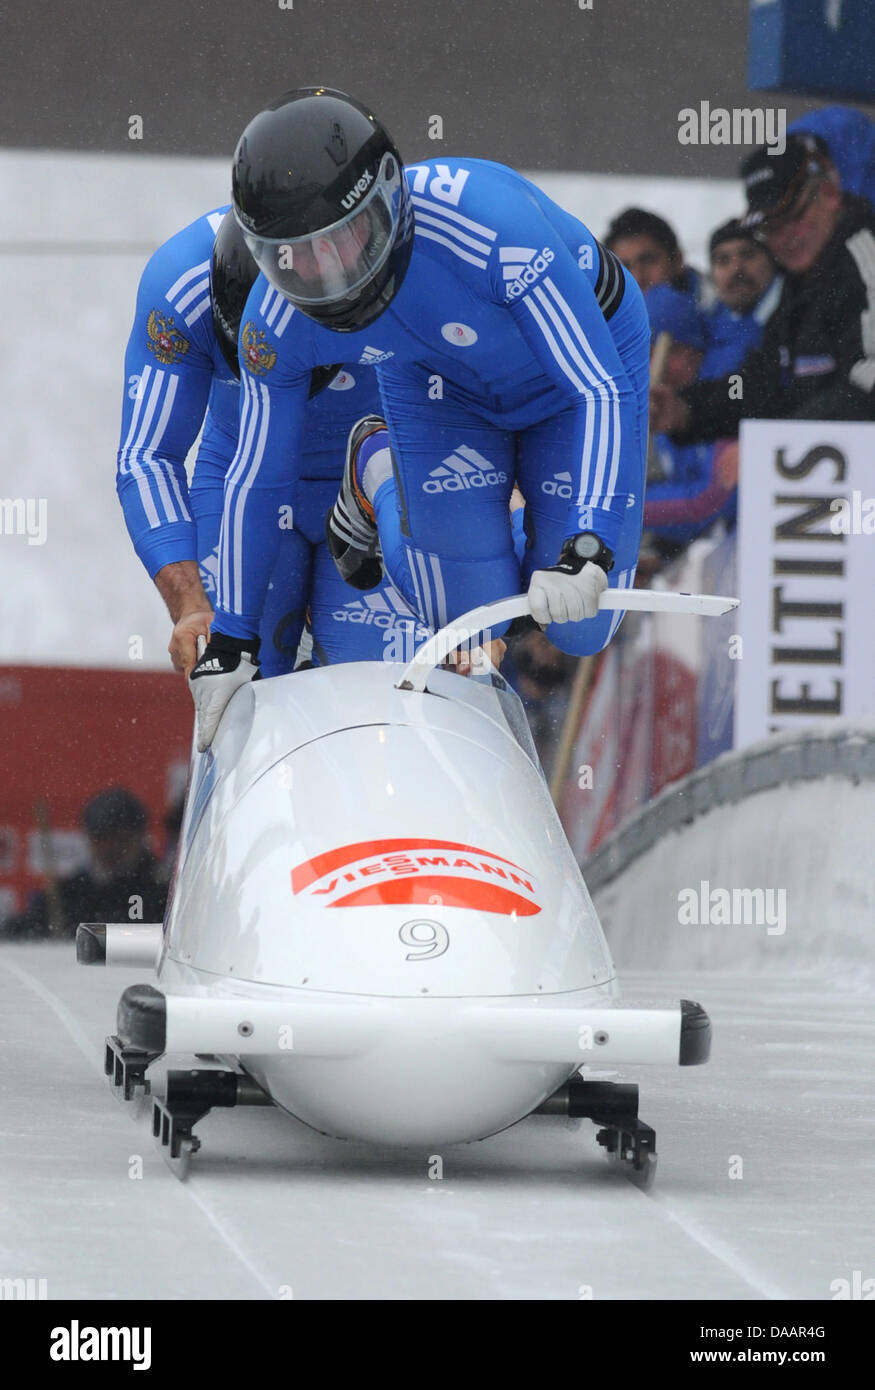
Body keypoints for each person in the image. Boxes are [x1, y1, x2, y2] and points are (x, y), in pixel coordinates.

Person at [189, 87, 651, 749]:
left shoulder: (491, 231)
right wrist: (230, 641)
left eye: (340, 243)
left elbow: (597, 388)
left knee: (582, 627)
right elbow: (256, 477)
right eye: (295, 259)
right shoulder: (274, 319)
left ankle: (488, 516)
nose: (327, 279)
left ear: (388, 204)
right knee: (469, 625)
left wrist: (588, 546)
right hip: (439, 387)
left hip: (573, 378)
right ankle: (378, 477)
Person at [118, 205, 426, 684]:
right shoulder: (180, 287)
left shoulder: (391, 278)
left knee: (371, 693)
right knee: (241, 687)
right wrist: (190, 605)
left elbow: (476, 405)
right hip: (239, 478)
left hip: (376, 481)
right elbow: (148, 456)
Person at [651, 133, 875, 440]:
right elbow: (761, 386)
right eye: (768, 228)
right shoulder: (797, 282)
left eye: (793, 218)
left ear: (829, 194)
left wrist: (779, 445)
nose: (782, 239)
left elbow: (867, 383)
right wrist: (685, 409)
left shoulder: (866, 256)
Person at [1, 789, 167, 941]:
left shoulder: (162, 892)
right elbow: (21, 933)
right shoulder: (69, 894)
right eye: (101, 838)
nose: (110, 848)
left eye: (120, 839)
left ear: (139, 838)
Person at [643, 285, 737, 550]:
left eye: (673, 351)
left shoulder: (728, 393)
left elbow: (711, 501)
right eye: (646, 355)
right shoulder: (667, 398)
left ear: (697, 348)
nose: (659, 366)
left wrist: (619, 506)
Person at [702, 218, 782, 378]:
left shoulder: (794, 320)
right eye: (723, 260)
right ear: (711, 275)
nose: (736, 268)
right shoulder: (703, 329)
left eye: (748, 255)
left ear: (771, 261)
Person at [604, 207, 714, 311]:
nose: (637, 278)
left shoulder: (724, 308)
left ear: (677, 261)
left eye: (648, 261)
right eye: (624, 268)